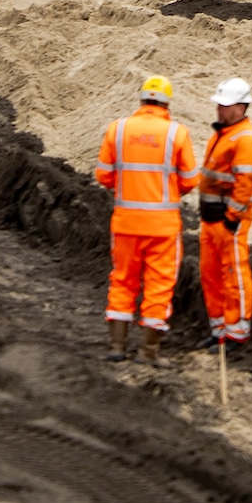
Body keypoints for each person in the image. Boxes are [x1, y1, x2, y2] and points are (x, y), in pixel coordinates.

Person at [95, 74, 199, 362]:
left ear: (141, 100)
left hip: (125, 222)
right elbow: (190, 180)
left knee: (123, 280)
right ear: (168, 104)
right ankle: (148, 351)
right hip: (163, 227)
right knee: (159, 285)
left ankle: (117, 347)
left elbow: (103, 175)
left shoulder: (118, 129)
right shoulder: (177, 134)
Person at [198, 78, 252, 347]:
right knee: (210, 275)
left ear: (241, 107)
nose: (220, 110)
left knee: (234, 276)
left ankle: (237, 333)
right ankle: (219, 329)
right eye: (219, 105)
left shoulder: (244, 140)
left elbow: (244, 186)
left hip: (228, 222)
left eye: (225, 106)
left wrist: (232, 219)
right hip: (211, 220)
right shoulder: (222, 134)